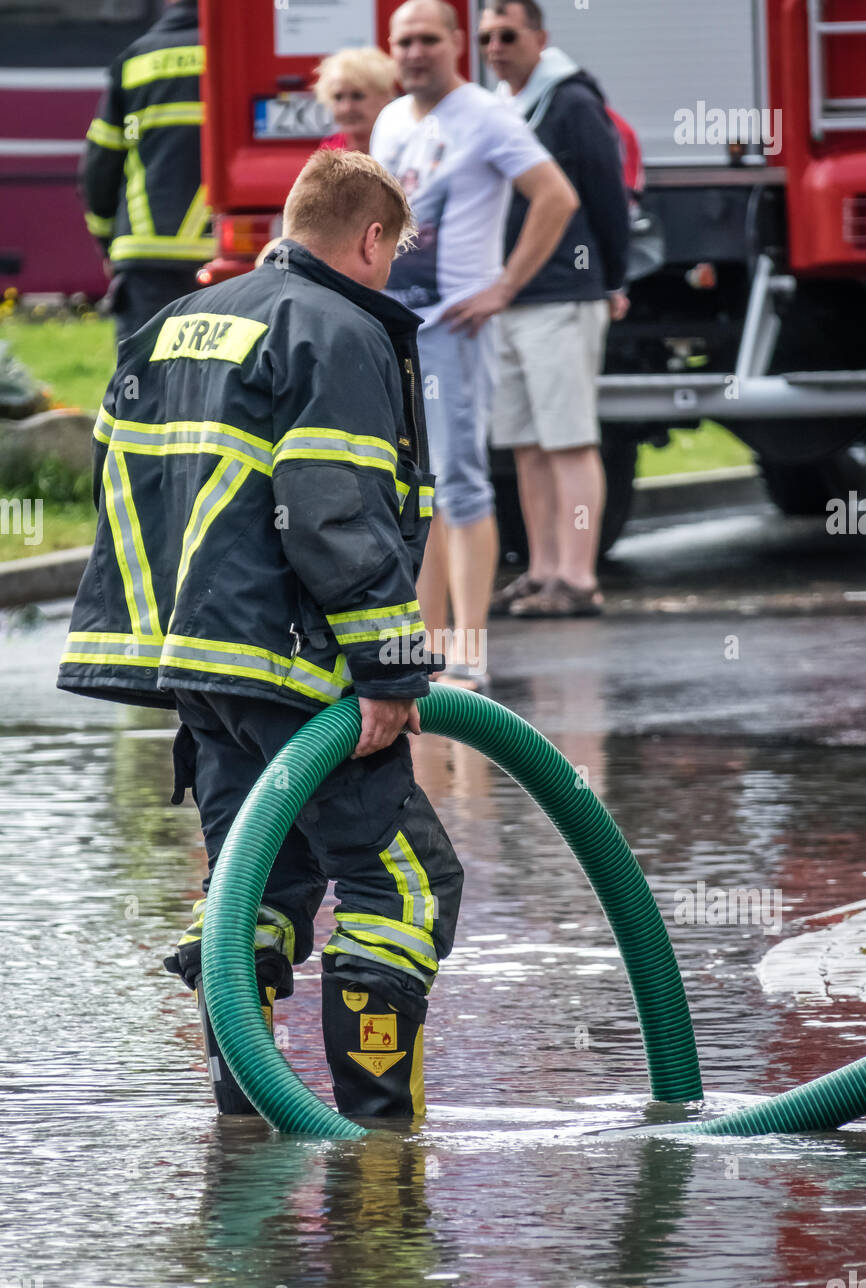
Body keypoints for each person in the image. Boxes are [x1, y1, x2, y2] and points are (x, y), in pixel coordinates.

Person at [57, 150, 464, 1122]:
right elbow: (332, 505)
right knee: (402, 884)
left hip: (199, 669)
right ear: (371, 238)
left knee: (258, 885)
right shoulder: (340, 329)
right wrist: (386, 664)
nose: (390, 270)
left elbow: (137, 501)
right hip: (292, 668)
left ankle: (245, 1114)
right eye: (392, 251)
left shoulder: (167, 326)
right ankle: (373, 1140)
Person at [370, 0, 578, 690]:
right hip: (392, 330)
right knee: (410, 491)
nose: (416, 52)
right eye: (405, 40)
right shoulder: (392, 120)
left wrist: (503, 287)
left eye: (429, 38)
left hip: (453, 329)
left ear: (455, 43)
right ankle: (428, 651)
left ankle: (470, 654)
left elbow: (555, 196)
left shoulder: (487, 115)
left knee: (459, 483)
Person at [481, 1, 631, 618]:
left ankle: (578, 577)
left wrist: (613, 279)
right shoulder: (502, 106)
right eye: (486, 35)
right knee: (525, 445)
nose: (495, 45)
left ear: (541, 38)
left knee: (568, 439)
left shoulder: (570, 103)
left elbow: (606, 196)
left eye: (508, 34)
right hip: (511, 299)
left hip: (564, 297)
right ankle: (542, 572)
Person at [80, 0, 214, 344]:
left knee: (144, 383)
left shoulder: (135, 60)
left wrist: (105, 238)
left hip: (146, 254)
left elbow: (101, 163)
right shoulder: (240, 54)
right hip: (226, 249)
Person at [314, 47, 398, 154]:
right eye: (338, 97)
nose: (346, 108)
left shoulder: (402, 146)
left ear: (384, 97)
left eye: (357, 96)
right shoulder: (328, 153)